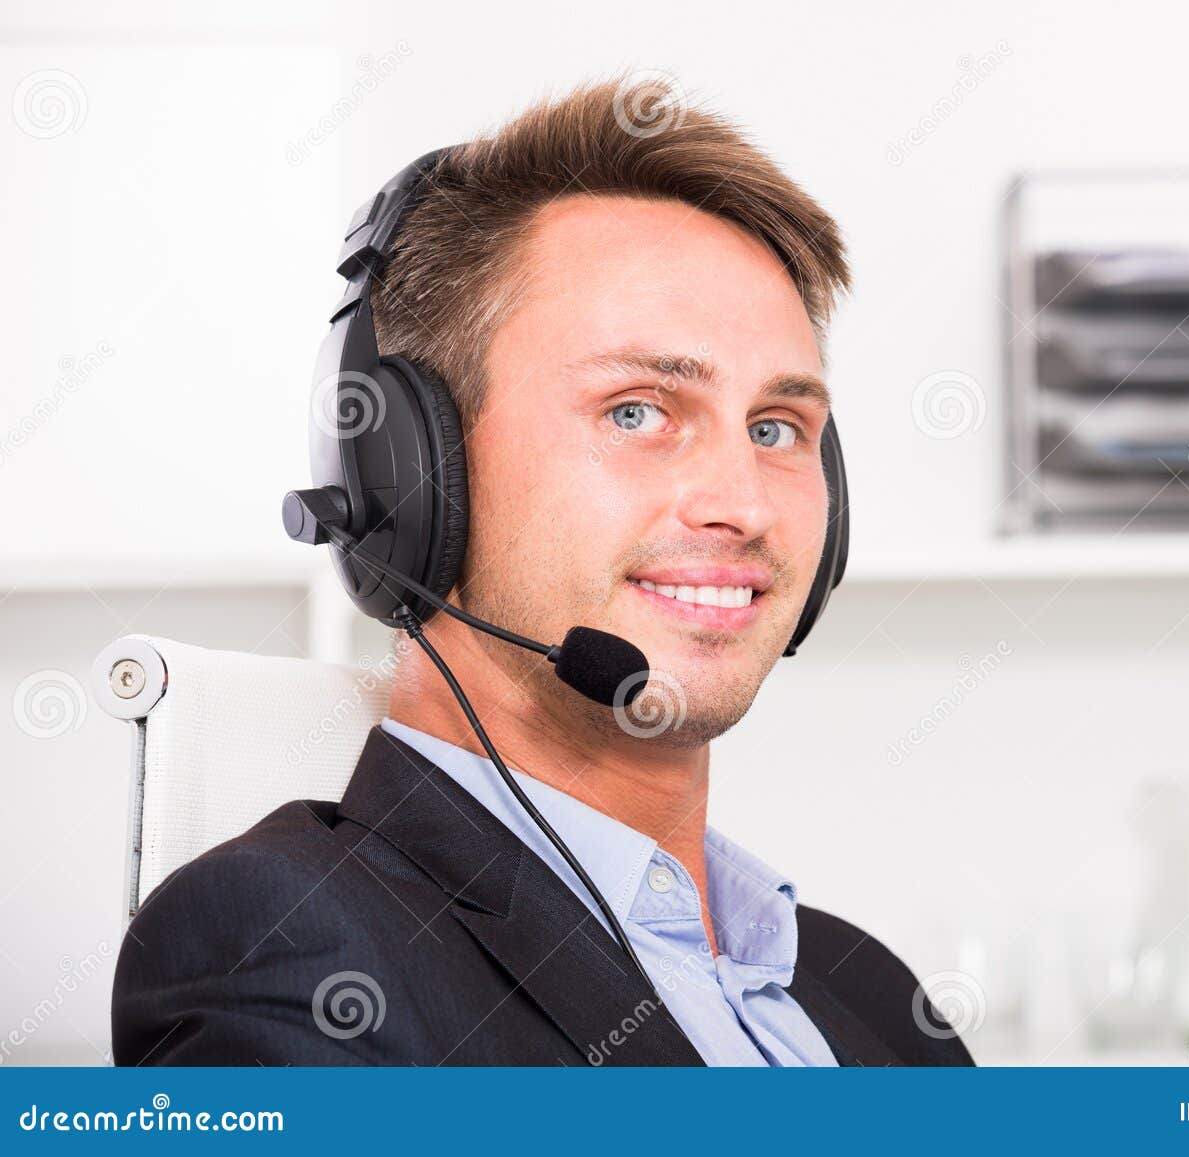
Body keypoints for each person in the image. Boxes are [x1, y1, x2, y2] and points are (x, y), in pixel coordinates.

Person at [110, 75, 973, 1067]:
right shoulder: (283, 945)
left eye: (777, 428)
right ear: (412, 478)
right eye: (636, 411)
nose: (743, 502)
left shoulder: (869, 987)